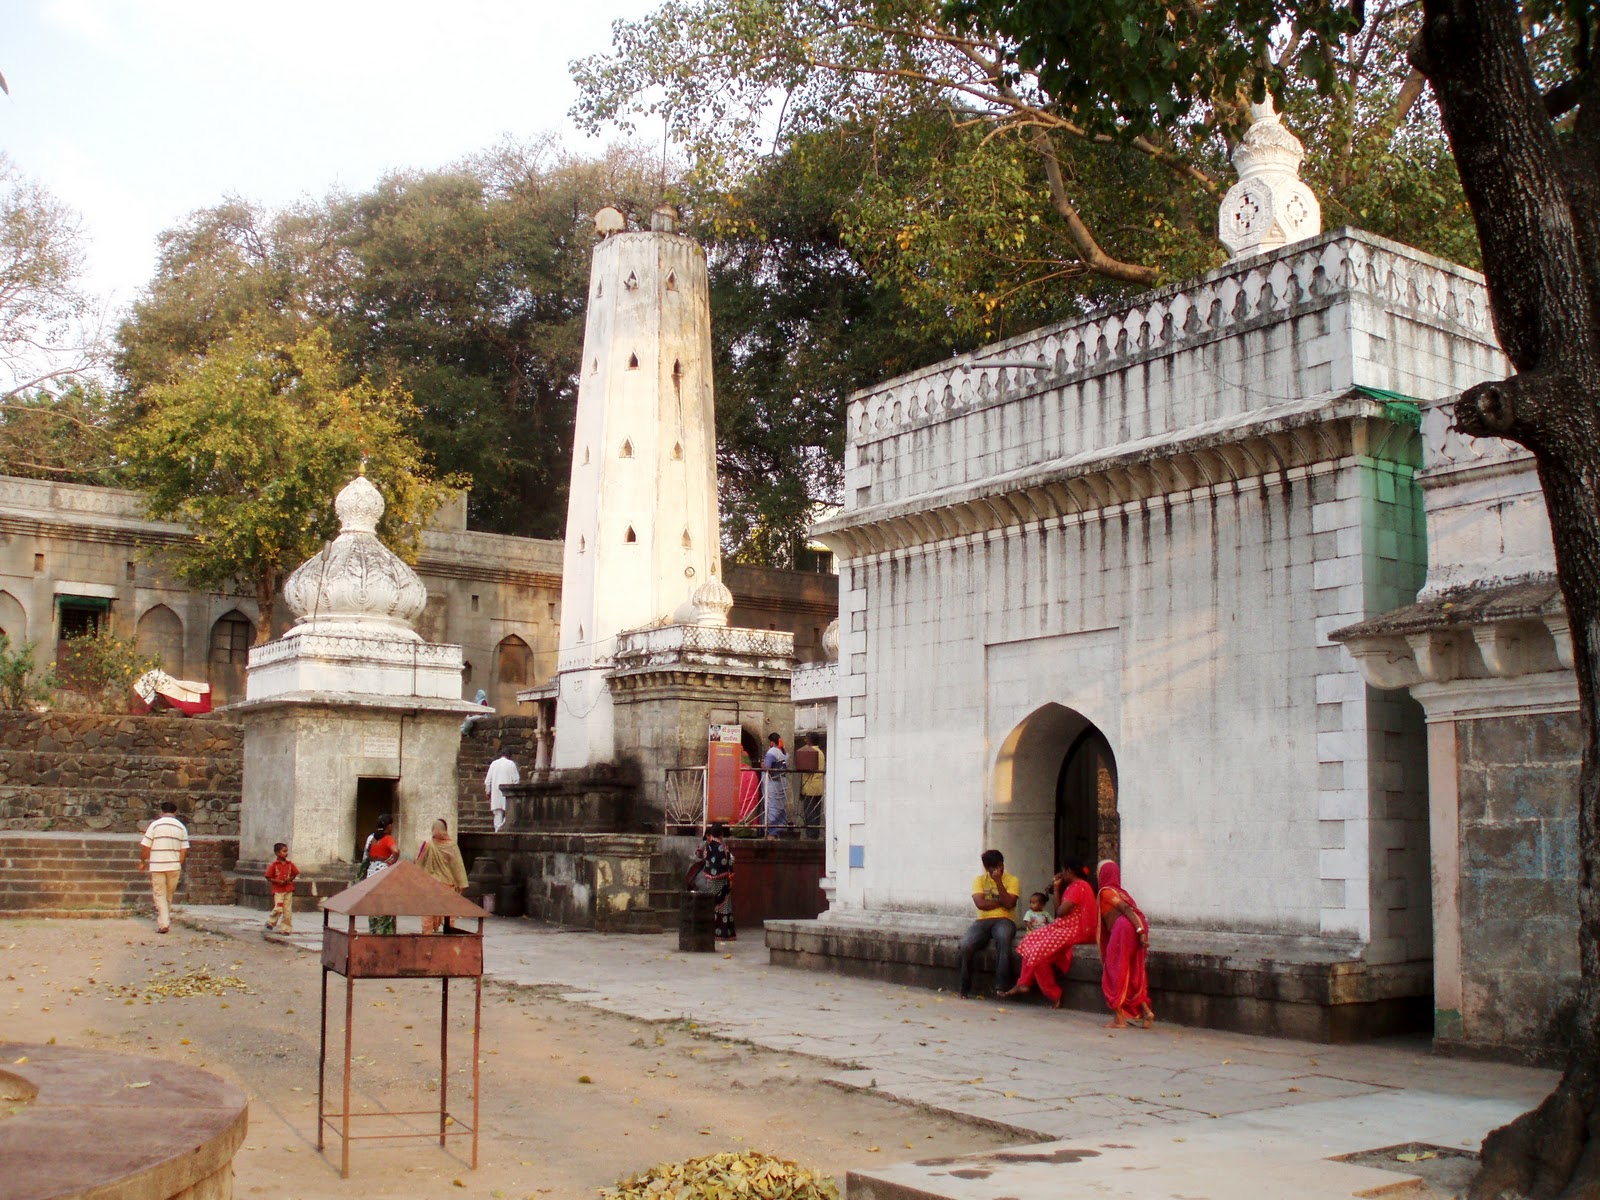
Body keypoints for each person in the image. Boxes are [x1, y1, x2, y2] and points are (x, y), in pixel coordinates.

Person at [999, 861, 1097, 1008]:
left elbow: (1060, 912)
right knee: (1030, 940)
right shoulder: (1073, 886)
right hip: (1063, 926)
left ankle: (1053, 993)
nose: (1062, 874)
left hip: (1075, 929)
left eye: (1063, 871)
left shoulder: (1079, 887)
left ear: (1070, 871)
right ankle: (1023, 982)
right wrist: (1057, 888)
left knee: (1038, 952)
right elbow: (1060, 914)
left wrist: (1057, 889)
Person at [1097, 860, 1155, 1029]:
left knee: (1115, 970)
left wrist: (1139, 932)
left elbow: (1126, 910)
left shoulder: (1106, 892)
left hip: (1125, 928)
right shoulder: (1122, 892)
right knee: (1134, 971)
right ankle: (1146, 1011)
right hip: (1137, 926)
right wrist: (1141, 931)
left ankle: (1119, 1019)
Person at [957, 849, 1020, 998]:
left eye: (999, 866)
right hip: (982, 921)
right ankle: (964, 987)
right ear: (987, 868)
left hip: (1005, 920)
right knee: (965, 945)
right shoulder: (979, 880)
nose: (997, 870)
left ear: (1002, 864)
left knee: (1003, 940)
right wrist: (1000, 901)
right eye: (992, 868)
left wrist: (998, 882)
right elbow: (980, 904)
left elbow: (1010, 903)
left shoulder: (1012, 880)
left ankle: (1001, 985)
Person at [138, 800, 189, 935]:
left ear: (161, 812)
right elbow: (184, 850)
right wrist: (179, 862)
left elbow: (146, 847)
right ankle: (164, 920)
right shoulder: (181, 827)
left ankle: (164, 923)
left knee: (159, 894)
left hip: (158, 864)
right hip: (174, 866)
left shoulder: (155, 826)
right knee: (169, 894)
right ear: (175, 812)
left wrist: (142, 861)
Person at [416, 819, 469, 934]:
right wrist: (461, 884)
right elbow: (457, 866)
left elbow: (418, 863)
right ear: (445, 830)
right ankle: (449, 934)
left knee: (428, 911)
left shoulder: (427, 844)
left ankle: (427, 935)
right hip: (447, 885)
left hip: (429, 885)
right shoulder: (452, 845)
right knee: (449, 912)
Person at [691, 822, 736, 940]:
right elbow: (730, 862)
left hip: (710, 880)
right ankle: (724, 933)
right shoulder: (723, 847)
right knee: (724, 905)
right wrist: (731, 876)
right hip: (722, 880)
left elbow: (701, 857)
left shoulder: (708, 846)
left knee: (713, 904)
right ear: (721, 833)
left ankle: (713, 931)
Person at [361, 814, 399, 935]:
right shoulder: (388, 839)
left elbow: (366, 857)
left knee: (373, 905)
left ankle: (373, 929)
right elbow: (396, 850)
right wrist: (393, 861)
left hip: (372, 872)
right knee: (385, 904)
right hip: (384, 872)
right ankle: (385, 931)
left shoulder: (371, 838)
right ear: (389, 826)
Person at [263, 842, 300, 935]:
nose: (286, 853)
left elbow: (295, 873)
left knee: (287, 911)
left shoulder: (290, 864)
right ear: (277, 853)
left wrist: (289, 879)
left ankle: (286, 929)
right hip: (278, 890)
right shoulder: (274, 865)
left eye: (287, 851)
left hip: (288, 889)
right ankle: (270, 922)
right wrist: (277, 881)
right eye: (284, 851)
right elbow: (268, 876)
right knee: (278, 908)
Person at [793, 734, 825, 836]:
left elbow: (807, 770)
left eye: (807, 738)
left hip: (809, 786)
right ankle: (814, 834)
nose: (805, 740)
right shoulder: (821, 753)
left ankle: (811, 835)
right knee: (816, 813)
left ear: (810, 740)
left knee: (809, 813)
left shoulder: (809, 752)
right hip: (818, 786)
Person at [484, 752, 520, 832]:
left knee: (497, 814)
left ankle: (498, 831)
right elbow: (516, 780)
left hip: (496, 793)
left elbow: (487, 781)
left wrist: (488, 792)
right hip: (508, 793)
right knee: (508, 813)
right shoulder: (511, 764)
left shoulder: (494, 764)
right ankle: (503, 829)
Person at [761, 732, 789, 835]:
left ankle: (772, 831)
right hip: (782, 783)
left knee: (771, 806)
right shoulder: (785, 753)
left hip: (772, 784)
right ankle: (781, 827)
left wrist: (763, 765)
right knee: (780, 806)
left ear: (772, 742)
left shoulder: (772, 751)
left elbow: (767, 766)